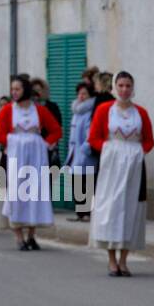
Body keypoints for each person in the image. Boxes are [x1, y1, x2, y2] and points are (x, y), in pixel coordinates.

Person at [87, 71, 154, 277]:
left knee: (132, 209)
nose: (124, 90)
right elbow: (93, 137)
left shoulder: (141, 112)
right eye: (121, 85)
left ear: (133, 88)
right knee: (111, 207)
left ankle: (124, 259)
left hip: (134, 166)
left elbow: (150, 139)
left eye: (128, 86)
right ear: (114, 88)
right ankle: (111, 259)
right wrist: (110, 150)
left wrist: (138, 151)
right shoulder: (104, 110)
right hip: (111, 166)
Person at [0, 73, 62, 251]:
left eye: (17, 89)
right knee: (17, 191)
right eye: (12, 89)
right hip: (17, 155)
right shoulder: (7, 110)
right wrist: (14, 140)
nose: (14, 92)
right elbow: (0, 134)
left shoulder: (39, 110)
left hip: (36, 156)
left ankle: (32, 235)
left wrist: (44, 144)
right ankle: (18, 235)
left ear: (26, 90)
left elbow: (56, 130)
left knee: (35, 191)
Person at [65, 81, 97, 221]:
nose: (81, 96)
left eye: (84, 93)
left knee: (87, 182)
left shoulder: (90, 112)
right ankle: (80, 213)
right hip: (75, 152)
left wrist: (86, 149)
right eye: (79, 93)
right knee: (76, 181)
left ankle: (88, 213)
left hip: (85, 153)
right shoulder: (77, 111)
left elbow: (90, 133)